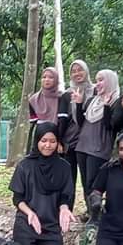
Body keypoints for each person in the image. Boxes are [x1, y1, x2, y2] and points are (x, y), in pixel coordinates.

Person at [9, 122, 75, 245]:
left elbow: (66, 196)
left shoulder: (64, 167)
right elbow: (17, 198)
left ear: (58, 143)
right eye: (44, 140)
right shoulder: (25, 166)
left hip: (51, 227)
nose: (48, 145)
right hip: (26, 225)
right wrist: (29, 212)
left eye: (52, 141)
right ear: (36, 141)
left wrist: (64, 207)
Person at [30, 67, 77, 202]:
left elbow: (64, 121)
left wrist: (60, 141)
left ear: (56, 79)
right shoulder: (33, 99)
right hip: (40, 140)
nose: (46, 80)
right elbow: (34, 123)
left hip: (59, 139)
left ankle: (62, 204)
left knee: (60, 172)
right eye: (44, 77)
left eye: (50, 77)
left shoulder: (62, 97)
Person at [74, 69, 121, 202]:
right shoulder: (92, 101)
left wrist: (106, 107)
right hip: (82, 146)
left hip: (99, 148)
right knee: (85, 183)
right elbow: (81, 122)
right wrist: (78, 104)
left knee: (93, 183)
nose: (97, 84)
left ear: (110, 81)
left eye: (101, 80)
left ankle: (96, 214)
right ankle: (90, 212)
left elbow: (110, 126)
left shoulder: (116, 102)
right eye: (96, 80)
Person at [61, 60, 94, 183]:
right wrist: (60, 141)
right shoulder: (66, 95)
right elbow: (63, 121)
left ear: (86, 71)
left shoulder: (95, 91)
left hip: (90, 144)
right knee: (69, 182)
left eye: (80, 70)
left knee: (88, 182)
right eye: (73, 71)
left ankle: (90, 203)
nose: (77, 73)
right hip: (70, 143)